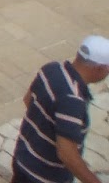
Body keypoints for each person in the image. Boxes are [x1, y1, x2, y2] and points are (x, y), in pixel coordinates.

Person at [10, 34, 109, 183]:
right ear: (100, 68)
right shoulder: (73, 100)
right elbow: (67, 154)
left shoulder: (52, 69)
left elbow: (28, 100)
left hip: (23, 160)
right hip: (43, 177)